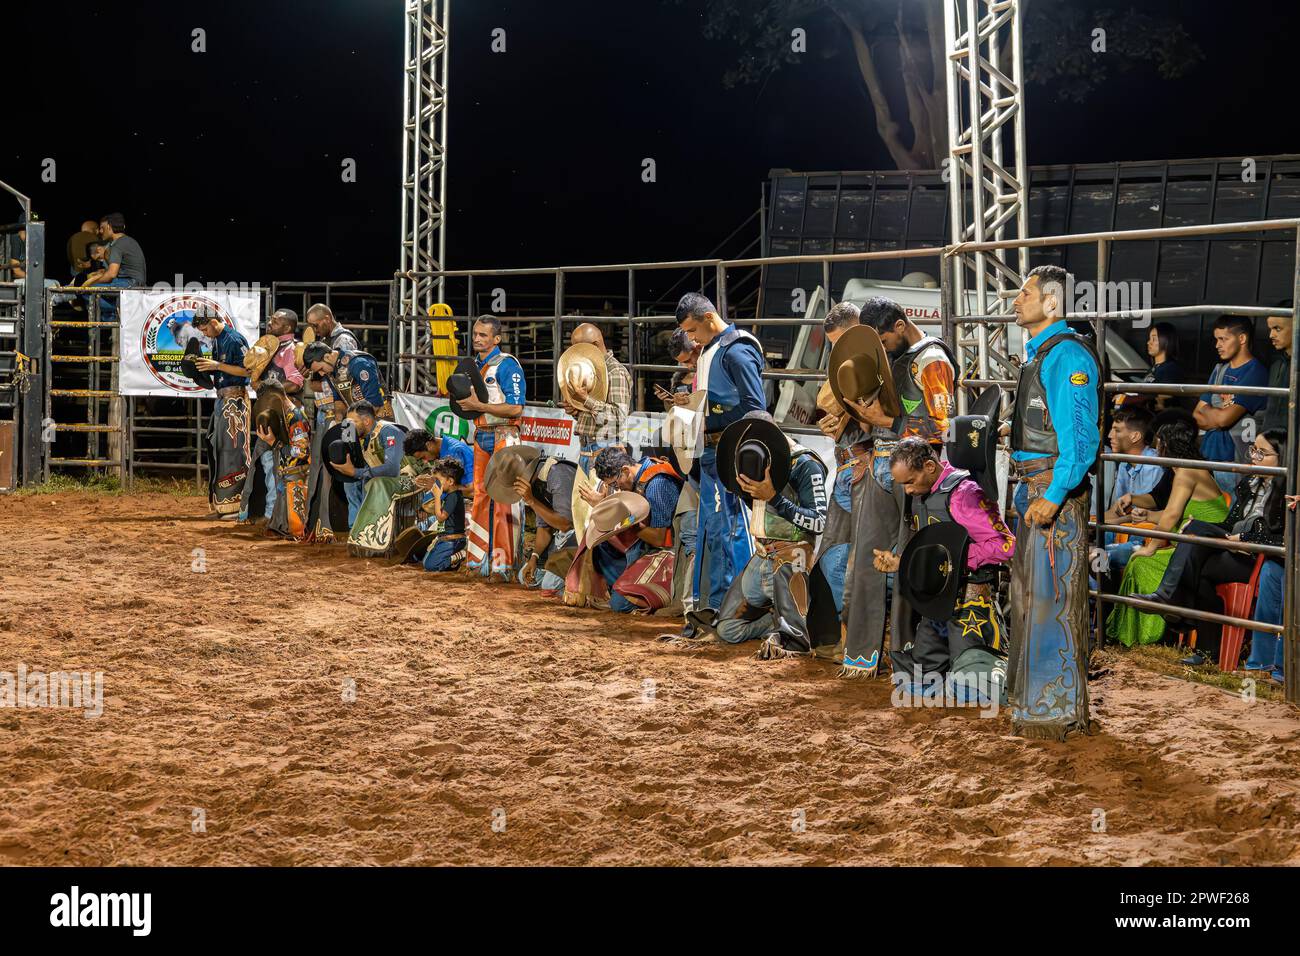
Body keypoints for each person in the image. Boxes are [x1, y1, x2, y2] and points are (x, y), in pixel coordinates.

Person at [1006, 264, 1101, 740]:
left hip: (1050, 492)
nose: (1015, 300)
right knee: (1033, 596)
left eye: (1025, 293)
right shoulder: (1043, 355)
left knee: (1051, 598)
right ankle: (1038, 703)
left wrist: (1055, 493)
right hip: (1036, 486)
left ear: (1051, 302)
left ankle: (1056, 709)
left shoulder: (1066, 356)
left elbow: (1081, 440)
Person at [839, 295, 956, 677]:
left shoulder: (932, 360)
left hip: (916, 476)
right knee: (867, 560)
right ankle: (863, 654)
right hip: (885, 468)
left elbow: (944, 427)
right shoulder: (898, 358)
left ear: (901, 326)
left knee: (909, 559)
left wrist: (887, 422)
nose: (883, 348)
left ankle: (907, 654)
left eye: (884, 340)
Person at [1121, 430, 1285, 666]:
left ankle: (1173, 605)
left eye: (1263, 453)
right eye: (1253, 450)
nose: (1254, 457)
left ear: (1281, 459)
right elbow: (1228, 524)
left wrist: (1245, 538)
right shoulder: (1251, 482)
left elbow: (1281, 537)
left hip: (1255, 556)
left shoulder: (1286, 490)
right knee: (1195, 533)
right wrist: (1207, 529)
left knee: (1199, 563)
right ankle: (1202, 643)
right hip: (1233, 545)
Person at [882, 438, 1015, 698]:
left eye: (910, 481)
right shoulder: (924, 494)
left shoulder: (965, 494)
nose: (907, 491)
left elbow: (1005, 545)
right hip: (938, 603)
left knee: (973, 683)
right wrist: (902, 562)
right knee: (917, 680)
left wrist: (953, 562)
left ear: (930, 467)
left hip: (969, 601)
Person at [672, 292, 766, 635]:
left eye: (693, 330)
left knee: (731, 531)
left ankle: (735, 610)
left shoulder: (737, 350)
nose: (691, 339)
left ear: (709, 319)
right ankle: (714, 607)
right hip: (713, 453)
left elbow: (755, 407)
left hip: (729, 451)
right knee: (716, 533)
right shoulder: (714, 350)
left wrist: (705, 420)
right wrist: (696, 406)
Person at [712, 414, 828, 648]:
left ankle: (789, 626)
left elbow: (819, 522)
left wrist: (774, 498)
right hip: (763, 554)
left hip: (793, 554)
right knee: (727, 629)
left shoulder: (805, 464)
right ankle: (776, 623)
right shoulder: (746, 461)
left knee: (797, 637)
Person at [457, 315, 526, 579]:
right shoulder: (473, 365)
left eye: (483, 335)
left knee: (503, 499)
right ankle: (477, 560)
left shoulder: (508, 365)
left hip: (504, 434)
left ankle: (503, 565)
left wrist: (480, 407)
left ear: (497, 339)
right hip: (482, 434)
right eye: (475, 334)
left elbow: (517, 407)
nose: (476, 338)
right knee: (480, 496)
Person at [590, 446, 683, 612]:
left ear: (625, 470)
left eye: (615, 483)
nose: (617, 488)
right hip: (648, 546)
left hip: (669, 552)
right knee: (601, 546)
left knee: (619, 604)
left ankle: (633, 595)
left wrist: (623, 523)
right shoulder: (641, 471)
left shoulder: (657, 485)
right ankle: (623, 588)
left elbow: (660, 539)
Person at [1194, 315, 1268, 493]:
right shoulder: (1220, 369)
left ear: (1242, 338)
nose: (1217, 345)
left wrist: (1211, 411)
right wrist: (1218, 413)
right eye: (1216, 339)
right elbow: (1197, 415)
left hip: (1235, 462)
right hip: (1208, 455)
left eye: (1223, 339)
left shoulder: (1255, 372)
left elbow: (1224, 420)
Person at [191, 306, 251, 516]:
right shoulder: (218, 340)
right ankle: (223, 503)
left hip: (236, 400)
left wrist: (217, 365)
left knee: (234, 450)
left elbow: (248, 370)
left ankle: (238, 505)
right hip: (224, 398)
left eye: (205, 329)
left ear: (213, 322)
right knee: (218, 448)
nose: (204, 333)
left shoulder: (234, 340)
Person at [562, 322, 632, 477]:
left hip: (604, 452)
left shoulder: (615, 372)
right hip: (588, 450)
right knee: (584, 501)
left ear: (595, 345)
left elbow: (618, 418)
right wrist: (575, 410)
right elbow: (593, 415)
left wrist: (586, 399)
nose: (577, 354)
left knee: (601, 500)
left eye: (580, 349)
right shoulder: (589, 370)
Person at [335, 401, 407, 551]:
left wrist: (356, 472)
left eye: (353, 421)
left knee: (369, 481)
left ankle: (372, 534)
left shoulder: (388, 431)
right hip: (382, 480)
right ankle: (356, 532)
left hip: (405, 480)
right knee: (350, 482)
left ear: (366, 421)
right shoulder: (359, 437)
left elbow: (392, 468)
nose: (349, 425)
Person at [1100, 406, 1165, 572]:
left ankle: (1099, 597)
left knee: (1097, 556)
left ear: (1135, 436)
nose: (1109, 436)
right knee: (1087, 546)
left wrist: (1108, 522)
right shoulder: (1124, 463)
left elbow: (1143, 515)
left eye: (1116, 430)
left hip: (1145, 537)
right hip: (1126, 530)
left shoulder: (1154, 465)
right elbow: (1118, 509)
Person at [252, 382, 312, 540]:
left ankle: (296, 531)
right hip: (287, 474)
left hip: (297, 475)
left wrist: (275, 443)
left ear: (274, 397)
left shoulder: (295, 417)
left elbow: (302, 451)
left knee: (295, 529)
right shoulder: (285, 416)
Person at [515, 455, 579, 593]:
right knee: (523, 576)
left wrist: (532, 501)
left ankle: (573, 582)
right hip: (562, 540)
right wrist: (534, 557)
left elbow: (565, 524)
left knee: (550, 585)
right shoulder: (536, 483)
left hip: (579, 537)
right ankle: (556, 574)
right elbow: (544, 528)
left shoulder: (557, 474)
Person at [82, 213, 146, 320]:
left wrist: (91, 282)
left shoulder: (117, 244)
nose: (100, 232)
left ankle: (117, 311)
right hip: (136, 283)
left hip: (129, 283)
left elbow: (111, 274)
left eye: (102, 228)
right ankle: (115, 314)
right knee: (96, 295)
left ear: (109, 227)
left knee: (87, 292)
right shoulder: (129, 241)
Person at [1121, 322, 1184, 410]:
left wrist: (1127, 399)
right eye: (1149, 339)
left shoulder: (1171, 369)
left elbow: (1162, 401)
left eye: (1154, 339)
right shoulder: (1154, 369)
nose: (1148, 343)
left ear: (1166, 340)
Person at [422, 457, 469, 572]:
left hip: (452, 541)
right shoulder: (451, 495)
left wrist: (437, 496)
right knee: (425, 562)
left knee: (430, 566)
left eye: (438, 481)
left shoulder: (453, 496)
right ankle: (453, 561)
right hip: (446, 539)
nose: (437, 484)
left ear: (451, 481)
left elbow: (441, 518)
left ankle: (460, 555)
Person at [402, 427, 475, 493]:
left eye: (423, 457)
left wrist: (436, 486)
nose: (425, 461)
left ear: (428, 445)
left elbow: (472, 489)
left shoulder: (455, 452)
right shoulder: (444, 448)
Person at [1258, 302, 1294, 433]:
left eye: (1277, 329)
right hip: (1269, 441)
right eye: (1270, 329)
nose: (1271, 335)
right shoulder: (1276, 364)